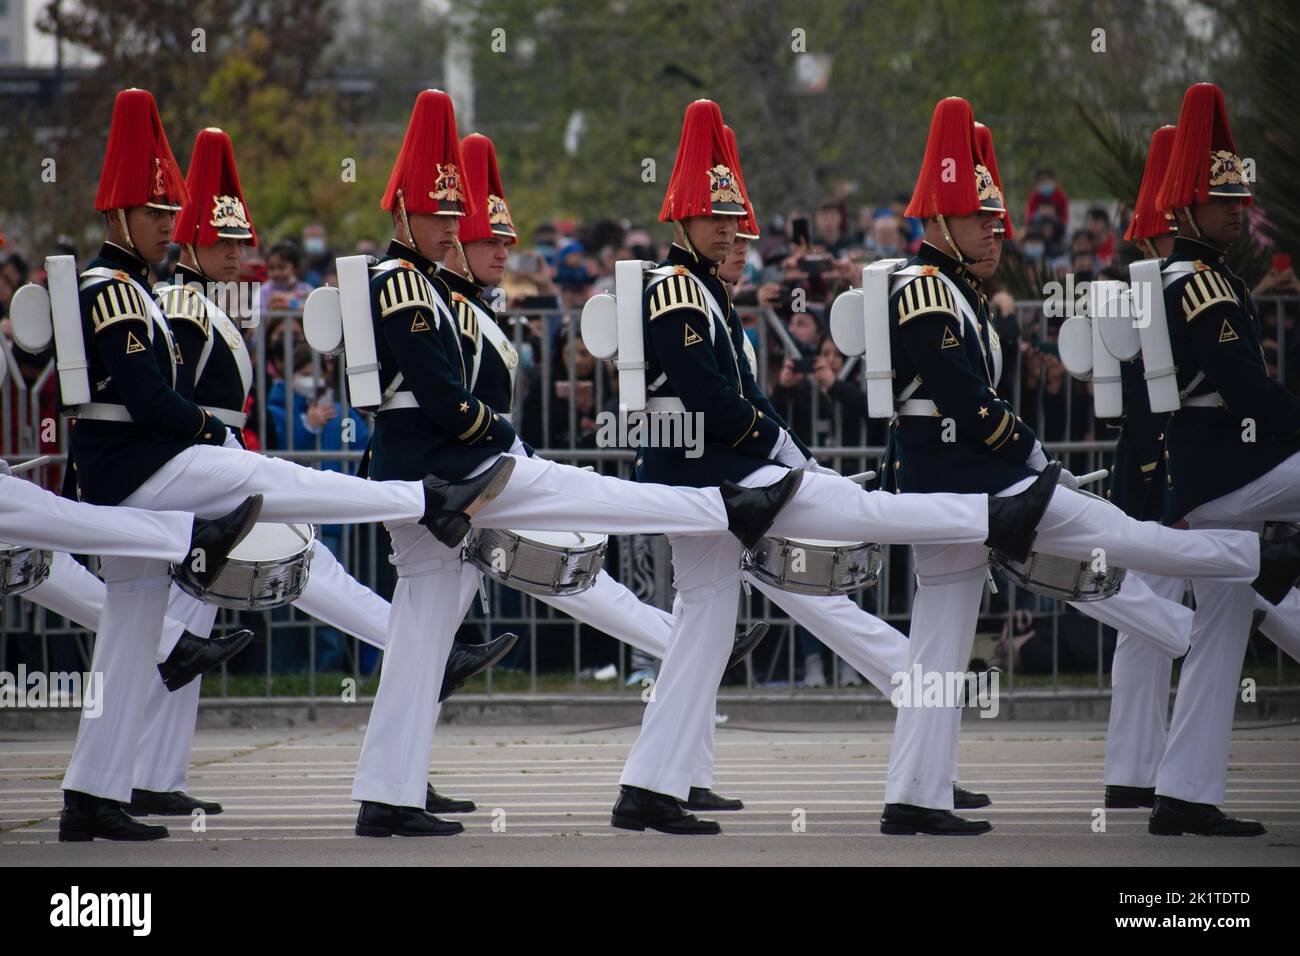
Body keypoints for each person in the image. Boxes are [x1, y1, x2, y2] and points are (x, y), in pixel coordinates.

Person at [347, 90, 801, 839]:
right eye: (441, 218)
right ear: (402, 214)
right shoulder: (406, 285)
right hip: (453, 473)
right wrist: (492, 430)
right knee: (601, 499)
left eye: (456, 218)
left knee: (422, 637)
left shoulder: (438, 291)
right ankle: (723, 513)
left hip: (461, 473)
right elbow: (437, 394)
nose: (458, 232)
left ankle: (388, 792)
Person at [610, 98, 1062, 836]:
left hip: (725, 482)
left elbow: (736, 400)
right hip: (719, 483)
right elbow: (717, 404)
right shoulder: (677, 292)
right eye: (715, 219)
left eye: (735, 223)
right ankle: (988, 517)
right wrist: (789, 456)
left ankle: (650, 787)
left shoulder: (704, 295)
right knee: (869, 514)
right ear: (680, 219)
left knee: (707, 627)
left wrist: (788, 453)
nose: (730, 233)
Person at [56, 89, 490, 843]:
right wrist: (204, 434)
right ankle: (417, 501)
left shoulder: (139, 293)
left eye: (169, 215)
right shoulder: (114, 292)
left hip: (141, 471)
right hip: (140, 470)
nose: (167, 227)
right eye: (156, 215)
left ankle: (89, 796)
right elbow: (152, 401)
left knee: (131, 631)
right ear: (116, 215)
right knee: (273, 481)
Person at [879, 96, 1297, 837]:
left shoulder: (954, 293)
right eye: (979, 219)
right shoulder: (926, 290)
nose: (994, 230)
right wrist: (1039, 459)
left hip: (973, 495)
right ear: (939, 219)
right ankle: (1251, 558)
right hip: (991, 491)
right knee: (1137, 545)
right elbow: (968, 406)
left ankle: (914, 796)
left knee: (938, 650)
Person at [1147, 83, 1300, 836]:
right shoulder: (1203, 286)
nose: (1238, 208)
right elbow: (1247, 392)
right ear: (1186, 208)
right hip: (1224, 475)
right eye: (1222, 198)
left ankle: (1183, 794)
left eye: (1241, 196)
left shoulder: (1188, 277)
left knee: (1220, 629)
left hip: (1203, 478)